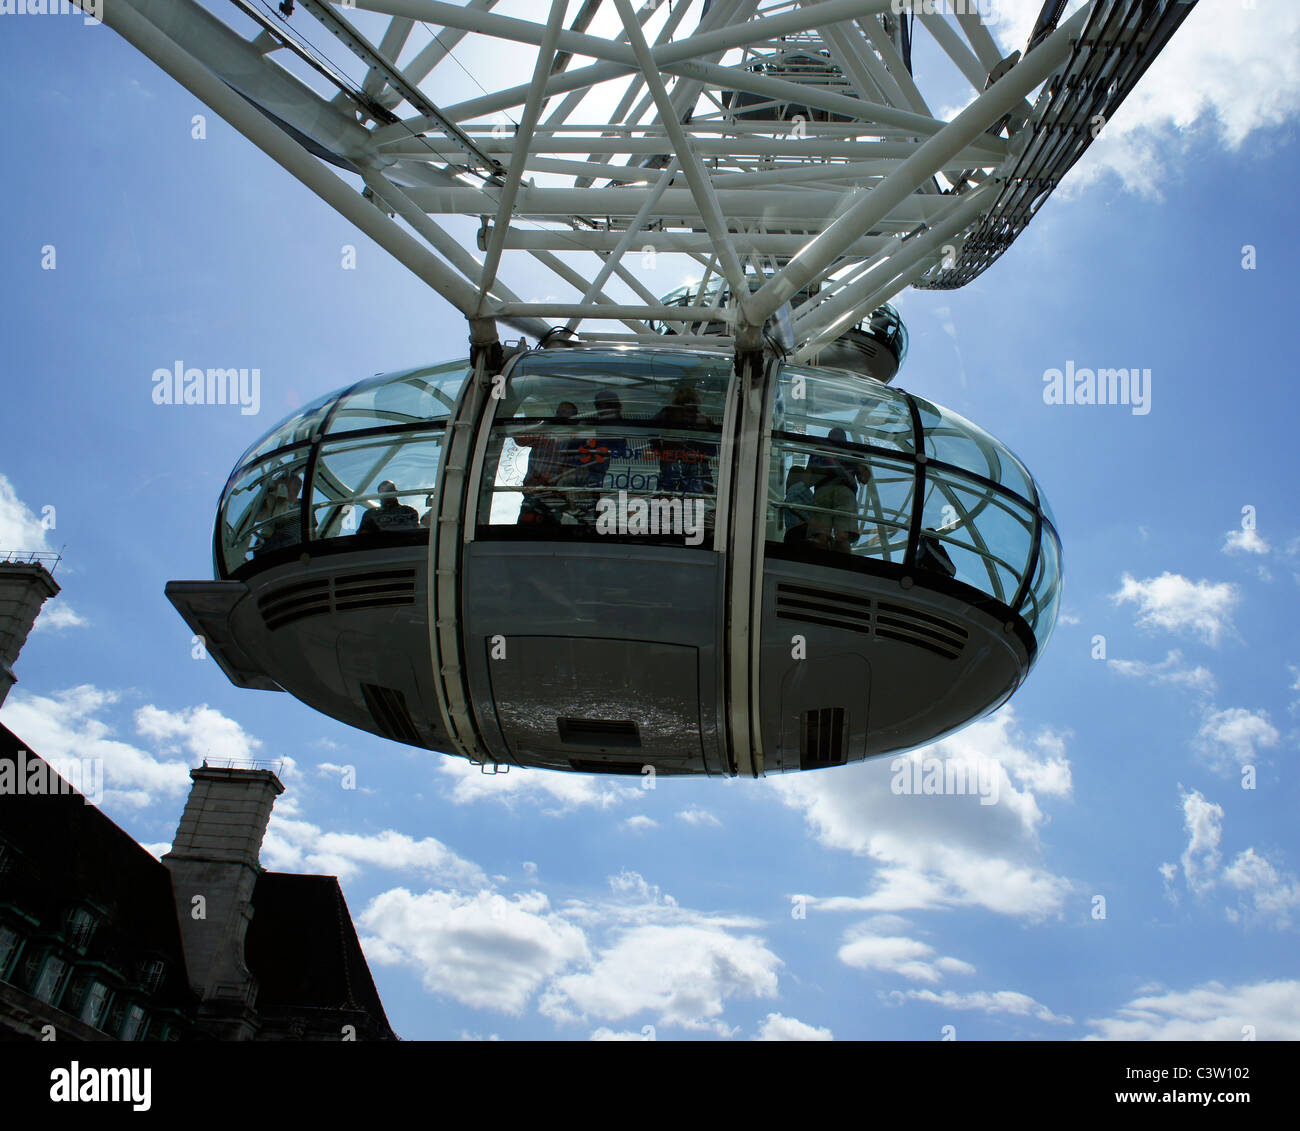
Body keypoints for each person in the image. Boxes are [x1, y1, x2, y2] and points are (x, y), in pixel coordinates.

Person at [807, 427, 870, 552]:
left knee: (820, 536)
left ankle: (817, 565)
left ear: (828, 437)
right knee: (842, 537)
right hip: (845, 491)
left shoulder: (819, 450)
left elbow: (808, 479)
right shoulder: (853, 449)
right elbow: (865, 478)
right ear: (845, 437)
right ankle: (843, 565)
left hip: (822, 491)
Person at [649, 385, 716, 497]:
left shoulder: (667, 413)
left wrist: (658, 449)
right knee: (690, 493)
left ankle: (667, 506)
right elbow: (711, 448)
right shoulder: (702, 418)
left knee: (667, 490)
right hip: (692, 459)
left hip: (670, 457)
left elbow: (651, 428)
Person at [251, 469, 307, 556]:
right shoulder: (272, 501)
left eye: (296, 490)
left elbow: (309, 531)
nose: (293, 493)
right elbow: (257, 515)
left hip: (290, 544)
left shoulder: (302, 506)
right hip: (270, 544)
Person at [782, 464, 814, 546]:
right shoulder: (800, 486)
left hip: (790, 533)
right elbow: (814, 505)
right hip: (800, 532)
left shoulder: (791, 489)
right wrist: (808, 519)